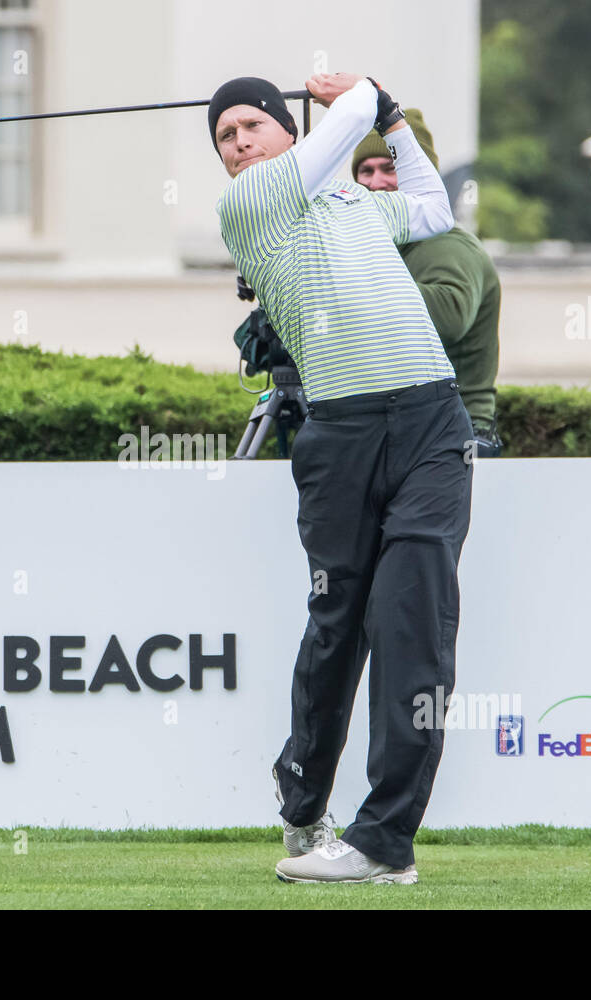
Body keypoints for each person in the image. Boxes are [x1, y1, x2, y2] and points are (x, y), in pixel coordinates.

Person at [211, 73, 473, 884]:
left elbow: (434, 209)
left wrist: (391, 117)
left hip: (432, 424)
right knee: (338, 625)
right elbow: (349, 113)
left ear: (289, 130)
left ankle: (384, 842)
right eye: (225, 136)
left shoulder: (359, 204)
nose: (240, 142)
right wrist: (363, 91)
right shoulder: (250, 204)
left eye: (254, 124)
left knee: (410, 624)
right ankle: (304, 802)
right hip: (341, 437)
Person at [351, 111, 503, 456]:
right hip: (402, 429)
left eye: (389, 169)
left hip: (453, 437)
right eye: (366, 171)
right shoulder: (387, 245)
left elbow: (448, 318)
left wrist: (347, 285)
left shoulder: (445, 242)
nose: (376, 183)